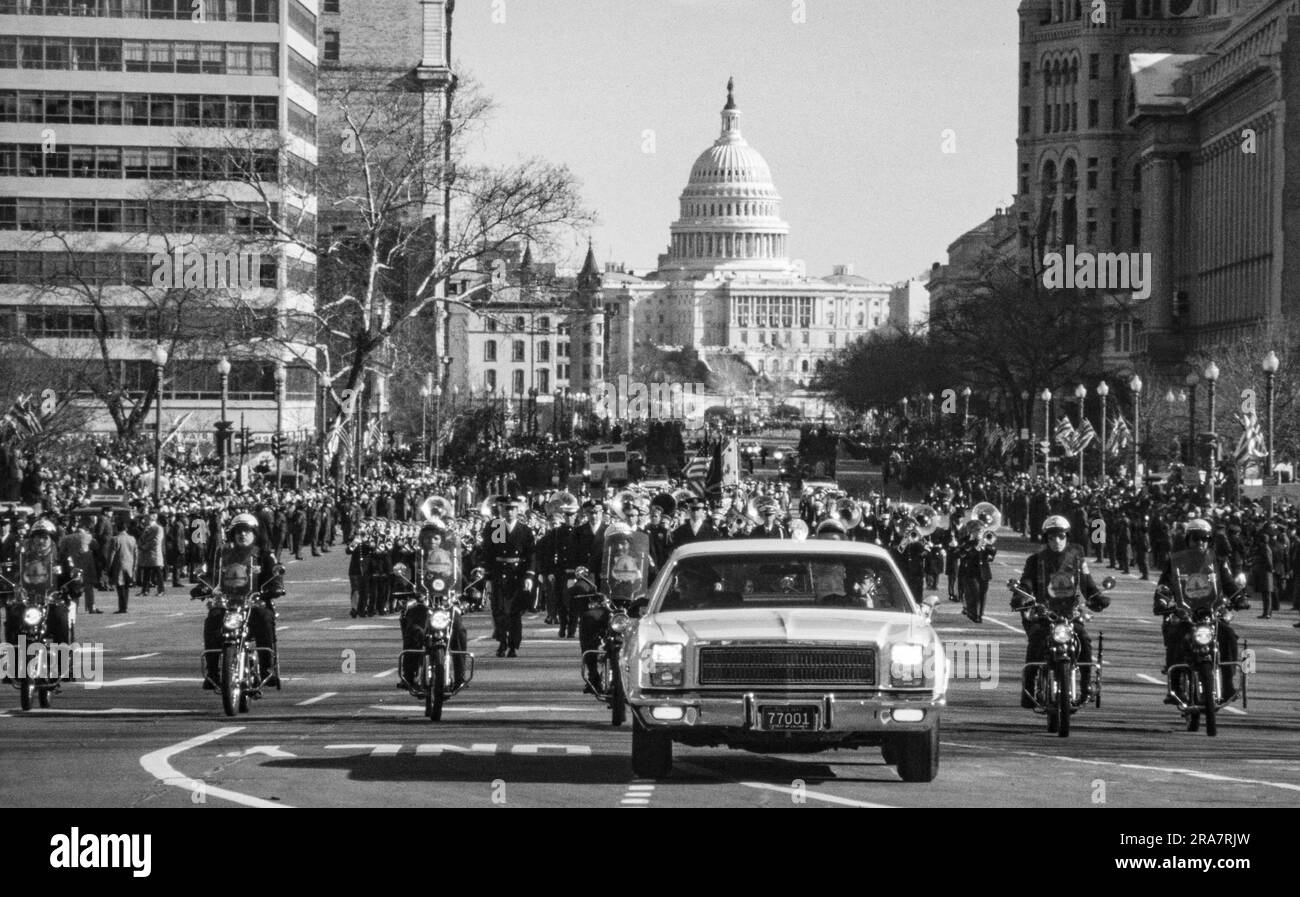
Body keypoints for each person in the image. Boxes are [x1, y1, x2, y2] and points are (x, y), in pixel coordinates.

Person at [1011, 515, 1108, 709]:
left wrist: (1097, 596)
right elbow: (1026, 583)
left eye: (1061, 536)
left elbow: (1087, 583)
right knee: (1037, 640)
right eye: (1052, 537)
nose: (1057, 541)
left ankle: (1086, 685)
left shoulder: (1077, 557)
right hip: (1043, 613)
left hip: (1069, 612)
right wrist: (1022, 596)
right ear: (1046, 539)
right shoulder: (1035, 560)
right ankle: (1028, 689)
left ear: (1067, 537)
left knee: (1084, 640)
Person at [1153, 517, 1243, 702]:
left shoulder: (1216, 561)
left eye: (1204, 538)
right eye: (1196, 538)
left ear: (1209, 540)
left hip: (1211, 612)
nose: (1200, 542)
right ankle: (1175, 687)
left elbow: (1228, 583)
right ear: (1188, 540)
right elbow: (1165, 585)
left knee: (1229, 637)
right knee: (1175, 637)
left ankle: (1227, 685)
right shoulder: (1175, 562)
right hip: (1186, 613)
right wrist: (1162, 601)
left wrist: (1239, 597)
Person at [195, 513, 283, 690]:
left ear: (255, 533)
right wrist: (205, 586)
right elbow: (212, 574)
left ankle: (267, 668)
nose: (243, 534)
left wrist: (274, 587)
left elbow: (274, 574)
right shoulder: (222, 554)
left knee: (264, 618)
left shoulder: (265, 555)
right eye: (239, 531)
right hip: (228, 603)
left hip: (254, 602)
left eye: (247, 531)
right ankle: (212, 671)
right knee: (213, 619)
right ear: (233, 533)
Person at [398, 521, 467, 693]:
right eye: (427, 538)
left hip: (445, 604)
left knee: (458, 629)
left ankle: (460, 675)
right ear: (422, 539)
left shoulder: (449, 558)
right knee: (414, 631)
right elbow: (403, 575)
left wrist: (469, 591)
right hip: (422, 604)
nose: (432, 541)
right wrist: (405, 590)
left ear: (441, 540)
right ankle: (409, 674)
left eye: (435, 538)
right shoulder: (413, 557)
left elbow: (459, 578)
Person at [3, 519, 74, 654]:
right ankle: (10, 657)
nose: (41, 541)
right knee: (12, 613)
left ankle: (62, 661)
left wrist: (72, 584)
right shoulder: (23, 557)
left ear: (51, 539)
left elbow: (71, 575)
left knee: (60, 617)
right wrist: (10, 583)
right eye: (37, 537)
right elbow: (13, 573)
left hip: (51, 600)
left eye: (44, 537)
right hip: (27, 600)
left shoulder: (60, 557)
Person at [481, 497, 535, 657]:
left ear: (518, 511)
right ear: (502, 510)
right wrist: (489, 577)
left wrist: (529, 576)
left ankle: (513, 645)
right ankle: (502, 641)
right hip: (500, 573)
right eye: (506, 509)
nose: (509, 512)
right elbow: (489, 553)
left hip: (517, 575)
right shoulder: (497, 527)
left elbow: (531, 554)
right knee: (499, 611)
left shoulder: (525, 530)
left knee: (514, 613)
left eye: (513, 509)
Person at [106, 519, 138, 613]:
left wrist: (108, 567)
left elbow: (111, 555)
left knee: (120, 588)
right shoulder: (132, 539)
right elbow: (136, 554)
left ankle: (122, 607)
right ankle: (125, 606)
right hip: (129, 565)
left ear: (117, 528)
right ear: (126, 528)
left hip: (119, 565)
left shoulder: (115, 539)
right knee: (127, 587)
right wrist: (135, 566)